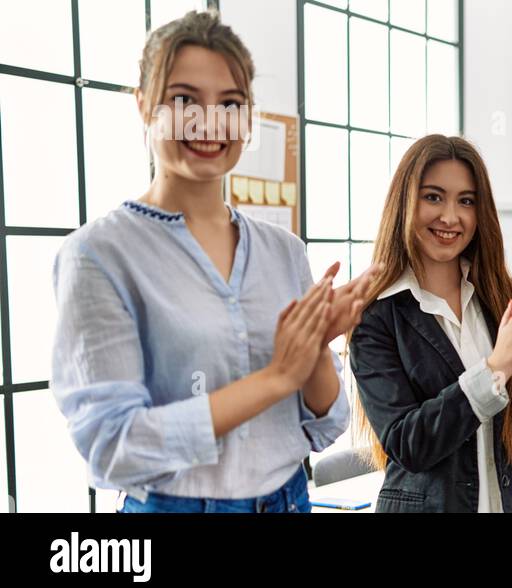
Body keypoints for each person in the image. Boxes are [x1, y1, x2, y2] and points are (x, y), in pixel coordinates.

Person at [52, 11, 367, 513]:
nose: (209, 122)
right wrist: (275, 377)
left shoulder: (284, 250)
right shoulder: (99, 254)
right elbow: (114, 447)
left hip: (290, 500)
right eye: (183, 100)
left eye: (231, 104)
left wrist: (314, 351)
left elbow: (326, 425)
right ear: (142, 105)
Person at [349, 135, 512, 512]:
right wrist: (496, 368)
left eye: (466, 201)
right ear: (405, 202)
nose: (450, 217)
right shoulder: (376, 316)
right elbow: (410, 444)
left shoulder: (509, 298)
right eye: (433, 197)